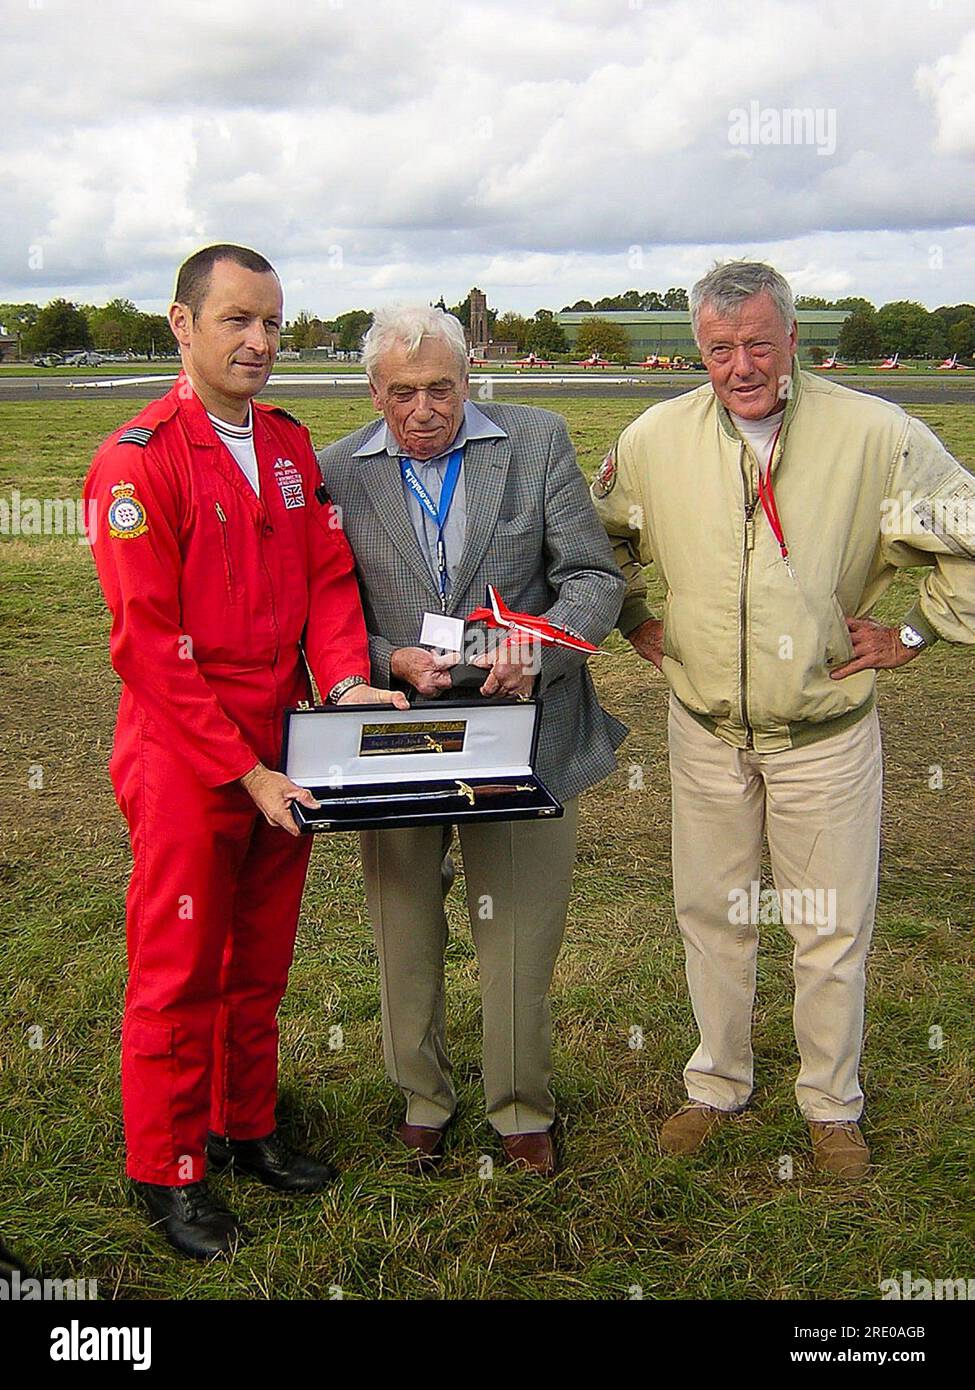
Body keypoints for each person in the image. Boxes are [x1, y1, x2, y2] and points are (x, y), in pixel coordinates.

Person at [592, 261, 975, 1178]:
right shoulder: (653, 438)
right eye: (720, 349)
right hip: (706, 729)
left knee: (830, 922)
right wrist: (637, 618)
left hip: (824, 732)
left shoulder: (875, 437)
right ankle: (716, 1083)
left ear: (794, 339)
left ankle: (830, 1104)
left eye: (759, 343)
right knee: (712, 913)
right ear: (698, 348)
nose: (740, 366)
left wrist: (918, 631)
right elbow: (595, 540)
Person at [83, 244, 406, 1258]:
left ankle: (243, 1123)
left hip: (289, 736)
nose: (261, 341)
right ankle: (167, 1167)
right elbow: (144, 644)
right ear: (183, 325)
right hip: (191, 752)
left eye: (272, 321)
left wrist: (347, 679)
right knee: (180, 966)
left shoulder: (283, 445)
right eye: (237, 320)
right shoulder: (137, 460)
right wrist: (247, 769)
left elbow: (323, 577)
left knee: (260, 958)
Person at [317, 306, 625, 1175]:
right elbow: (324, 606)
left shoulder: (536, 441)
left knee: (519, 932)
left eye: (441, 389)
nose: (424, 410)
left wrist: (541, 648)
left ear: (469, 380)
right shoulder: (338, 471)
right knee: (403, 925)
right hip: (398, 734)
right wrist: (384, 657)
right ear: (373, 392)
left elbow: (593, 579)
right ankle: (422, 1096)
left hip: (522, 729)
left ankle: (521, 1105)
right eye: (402, 393)